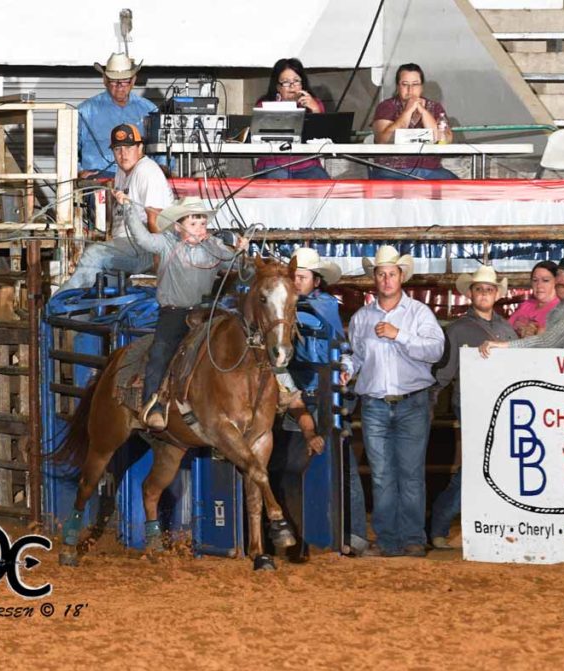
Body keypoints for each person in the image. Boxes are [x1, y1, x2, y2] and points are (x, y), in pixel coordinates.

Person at [340, 246, 445, 557]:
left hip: (412, 402)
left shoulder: (419, 313)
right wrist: (346, 369)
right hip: (375, 403)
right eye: (381, 274)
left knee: (410, 474)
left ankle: (412, 538)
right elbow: (356, 356)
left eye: (391, 274)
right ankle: (388, 539)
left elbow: (435, 351)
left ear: (401, 277)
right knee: (382, 475)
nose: (386, 279)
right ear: (374, 278)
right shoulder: (362, 318)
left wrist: (399, 334)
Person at [118, 197, 248, 430]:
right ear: (178, 227)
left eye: (203, 223)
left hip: (207, 313)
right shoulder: (166, 243)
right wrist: (128, 207)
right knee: (160, 352)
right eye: (193, 223)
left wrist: (241, 252)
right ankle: (153, 405)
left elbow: (237, 266)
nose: (200, 228)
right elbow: (142, 238)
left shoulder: (214, 246)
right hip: (174, 313)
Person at [272, 247, 369, 557]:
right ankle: (305, 532)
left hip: (323, 395)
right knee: (291, 465)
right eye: (294, 277)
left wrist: (344, 369)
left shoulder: (324, 306)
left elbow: (342, 348)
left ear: (316, 281)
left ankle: (351, 532)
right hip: (293, 395)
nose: (297, 282)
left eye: (302, 277)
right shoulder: (284, 308)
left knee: (340, 464)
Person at [429, 265, 517, 549]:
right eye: (479, 289)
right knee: (478, 466)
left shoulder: (507, 329)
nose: (484, 293)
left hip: (503, 405)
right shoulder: (457, 330)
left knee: (490, 465)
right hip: (472, 404)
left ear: (497, 294)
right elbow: (445, 371)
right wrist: (431, 398)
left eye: (489, 289)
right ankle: (440, 524)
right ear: (471, 293)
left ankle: (485, 525)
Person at [56, 123, 172, 293]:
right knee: (104, 278)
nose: (123, 154)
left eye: (128, 148)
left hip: (144, 248)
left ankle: (60, 304)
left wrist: (161, 262)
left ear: (140, 148)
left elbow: (156, 220)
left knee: (94, 255)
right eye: (118, 149)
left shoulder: (146, 171)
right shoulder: (122, 172)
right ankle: (99, 307)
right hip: (127, 245)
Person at [481, 254, 564, 356]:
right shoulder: (562, 306)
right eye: (559, 274)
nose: (561, 280)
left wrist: (505, 346)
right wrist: (531, 331)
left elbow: (549, 341)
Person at [369, 63, 457, 181]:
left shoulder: (435, 107)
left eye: (415, 84)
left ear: (422, 87)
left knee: (458, 187)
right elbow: (382, 139)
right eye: (405, 84)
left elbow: (444, 139)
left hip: (430, 171)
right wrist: (408, 111)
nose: (410, 90)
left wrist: (423, 112)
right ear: (398, 87)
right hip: (392, 171)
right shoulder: (386, 106)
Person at [77, 53, 157, 179]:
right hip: (97, 179)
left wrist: (161, 170)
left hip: (137, 178)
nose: (119, 86)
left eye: (125, 81)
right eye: (114, 81)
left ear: (133, 80)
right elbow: (65, 147)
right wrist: (79, 172)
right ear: (105, 80)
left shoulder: (149, 110)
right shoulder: (85, 111)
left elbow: (160, 148)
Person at [254, 58, 330, 180]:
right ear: (278, 87)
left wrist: (316, 110)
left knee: (324, 183)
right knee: (279, 181)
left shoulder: (314, 103)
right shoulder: (264, 105)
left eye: (296, 81)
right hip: (273, 164)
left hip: (307, 163)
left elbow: (324, 136)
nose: (292, 86)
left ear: (302, 84)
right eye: (286, 82)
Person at [508, 260, 560, 339]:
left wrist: (536, 331)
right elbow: (506, 327)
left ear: (557, 282)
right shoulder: (527, 304)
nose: (539, 285)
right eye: (535, 280)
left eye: (545, 280)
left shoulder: (562, 308)